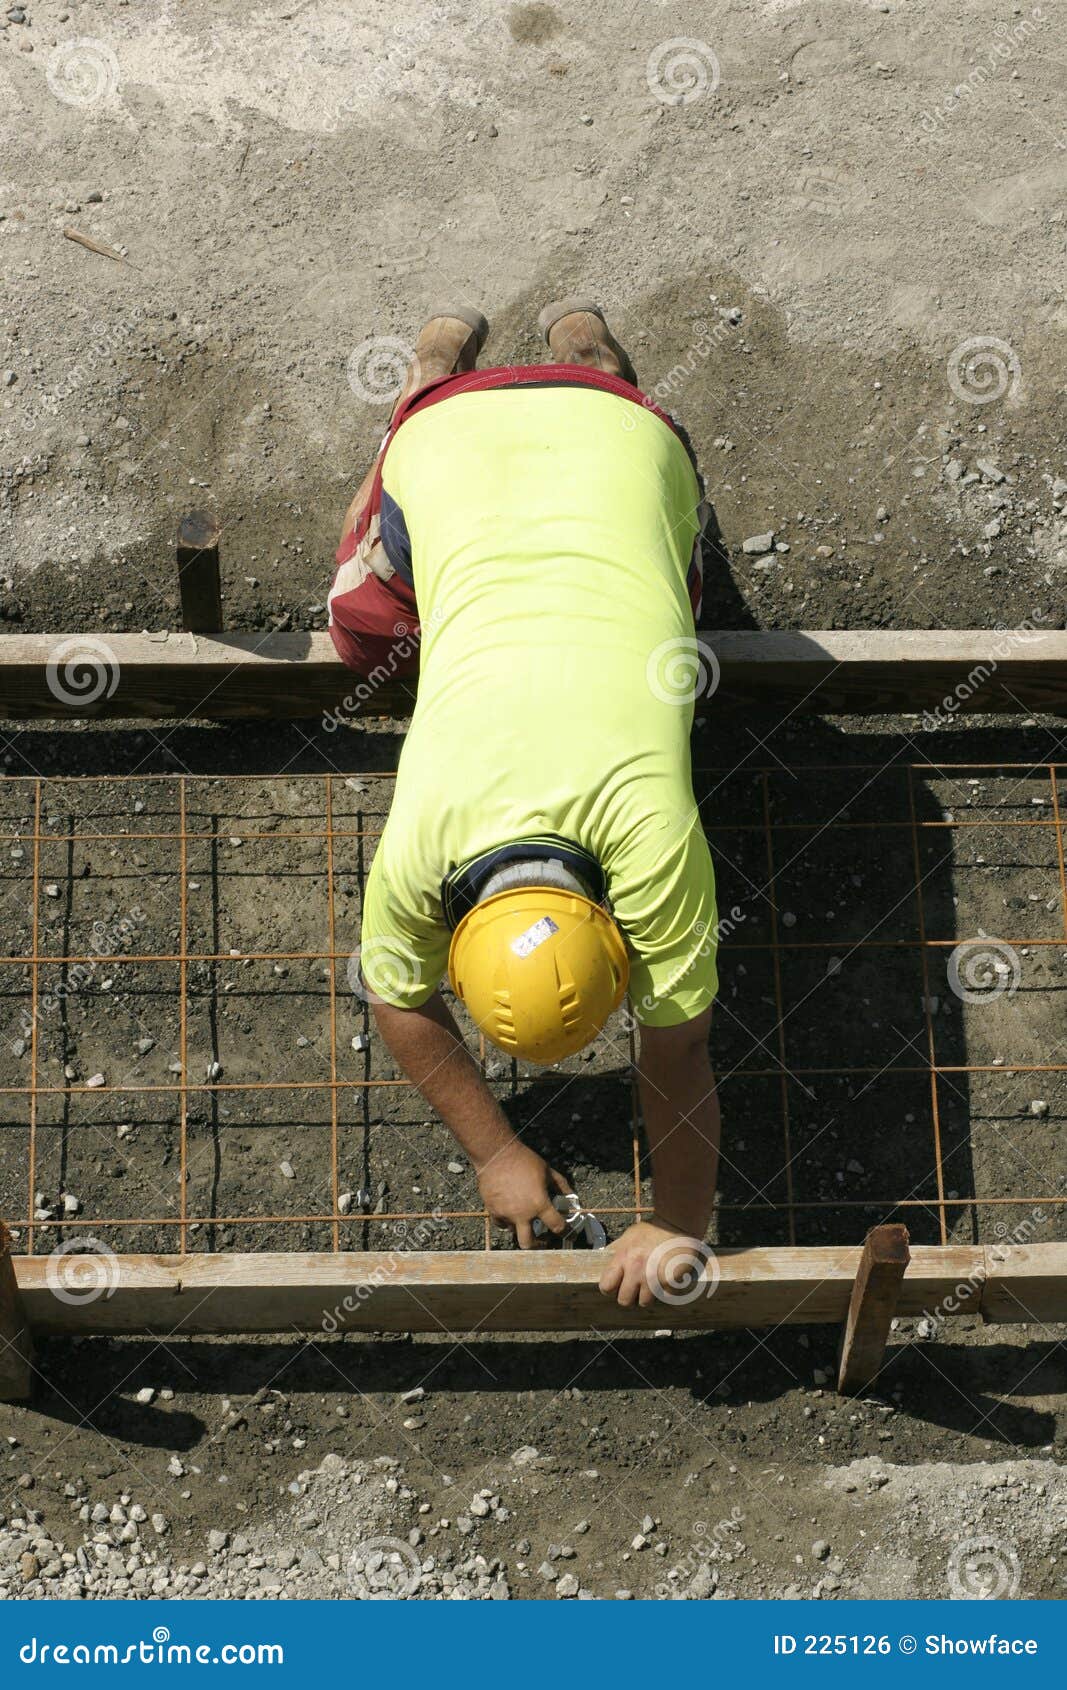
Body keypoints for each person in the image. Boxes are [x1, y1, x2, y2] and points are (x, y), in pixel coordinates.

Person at [329, 301, 719, 1307]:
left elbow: (398, 995)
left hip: (632, 427)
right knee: (364, 632)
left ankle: (499, 365)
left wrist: (672, 1223)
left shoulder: (651, 837)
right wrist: (497, 1152)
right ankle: (499, 361)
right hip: (545, 425)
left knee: (371, 638)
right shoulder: (425, 849)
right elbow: (671, 1055)